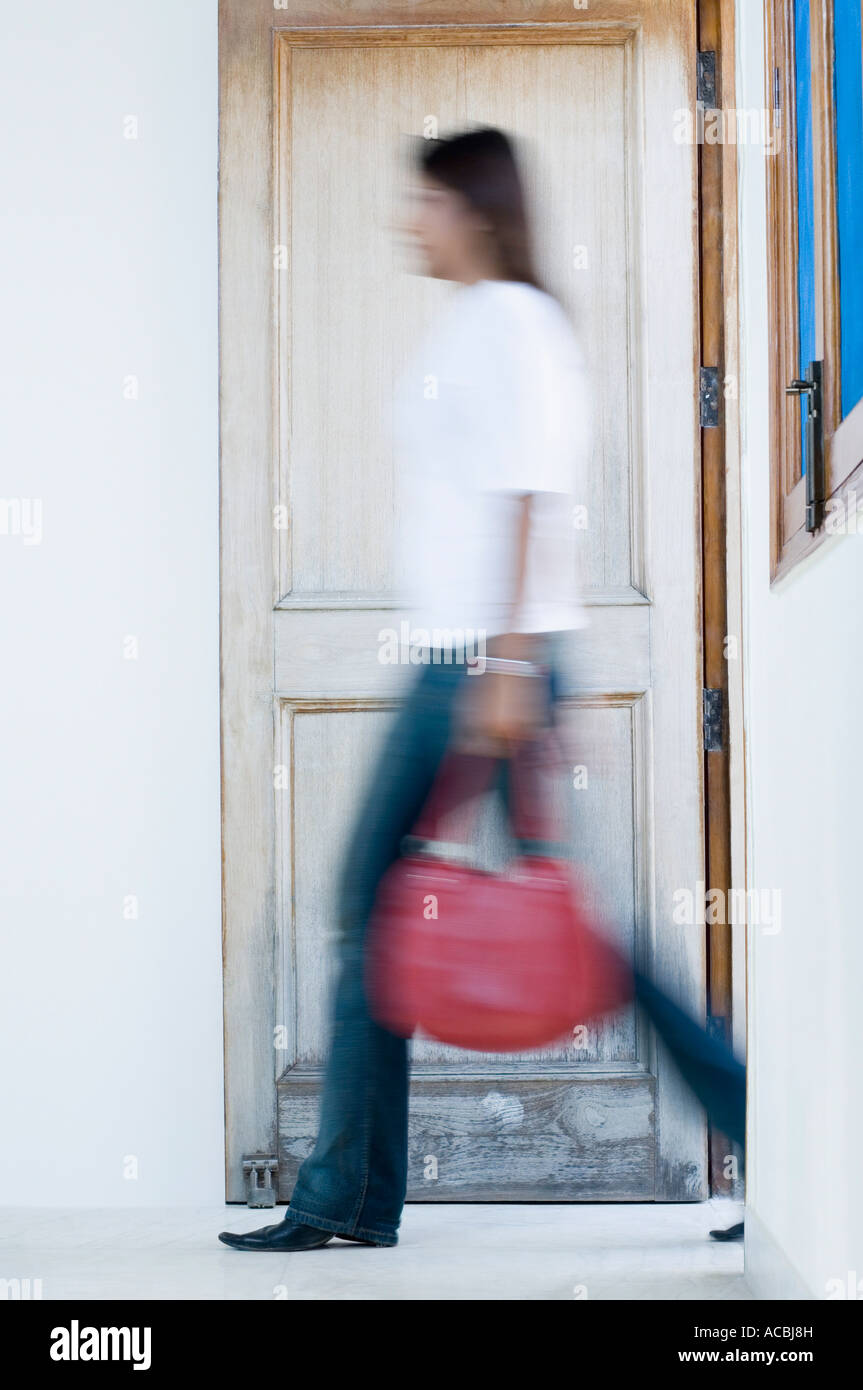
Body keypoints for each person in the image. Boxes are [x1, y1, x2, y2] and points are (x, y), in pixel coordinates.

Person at [219, 127, 744, 1254]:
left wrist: (506, 666)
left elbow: (530, 498)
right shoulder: (474, 321)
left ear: (475, 209)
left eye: (427, 202)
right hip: (465, 654)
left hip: (482, 659)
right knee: (503, 925)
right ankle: (352, 1199)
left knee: (393, 908)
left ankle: (343, 1199)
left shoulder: (512, 320)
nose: (408, 220)